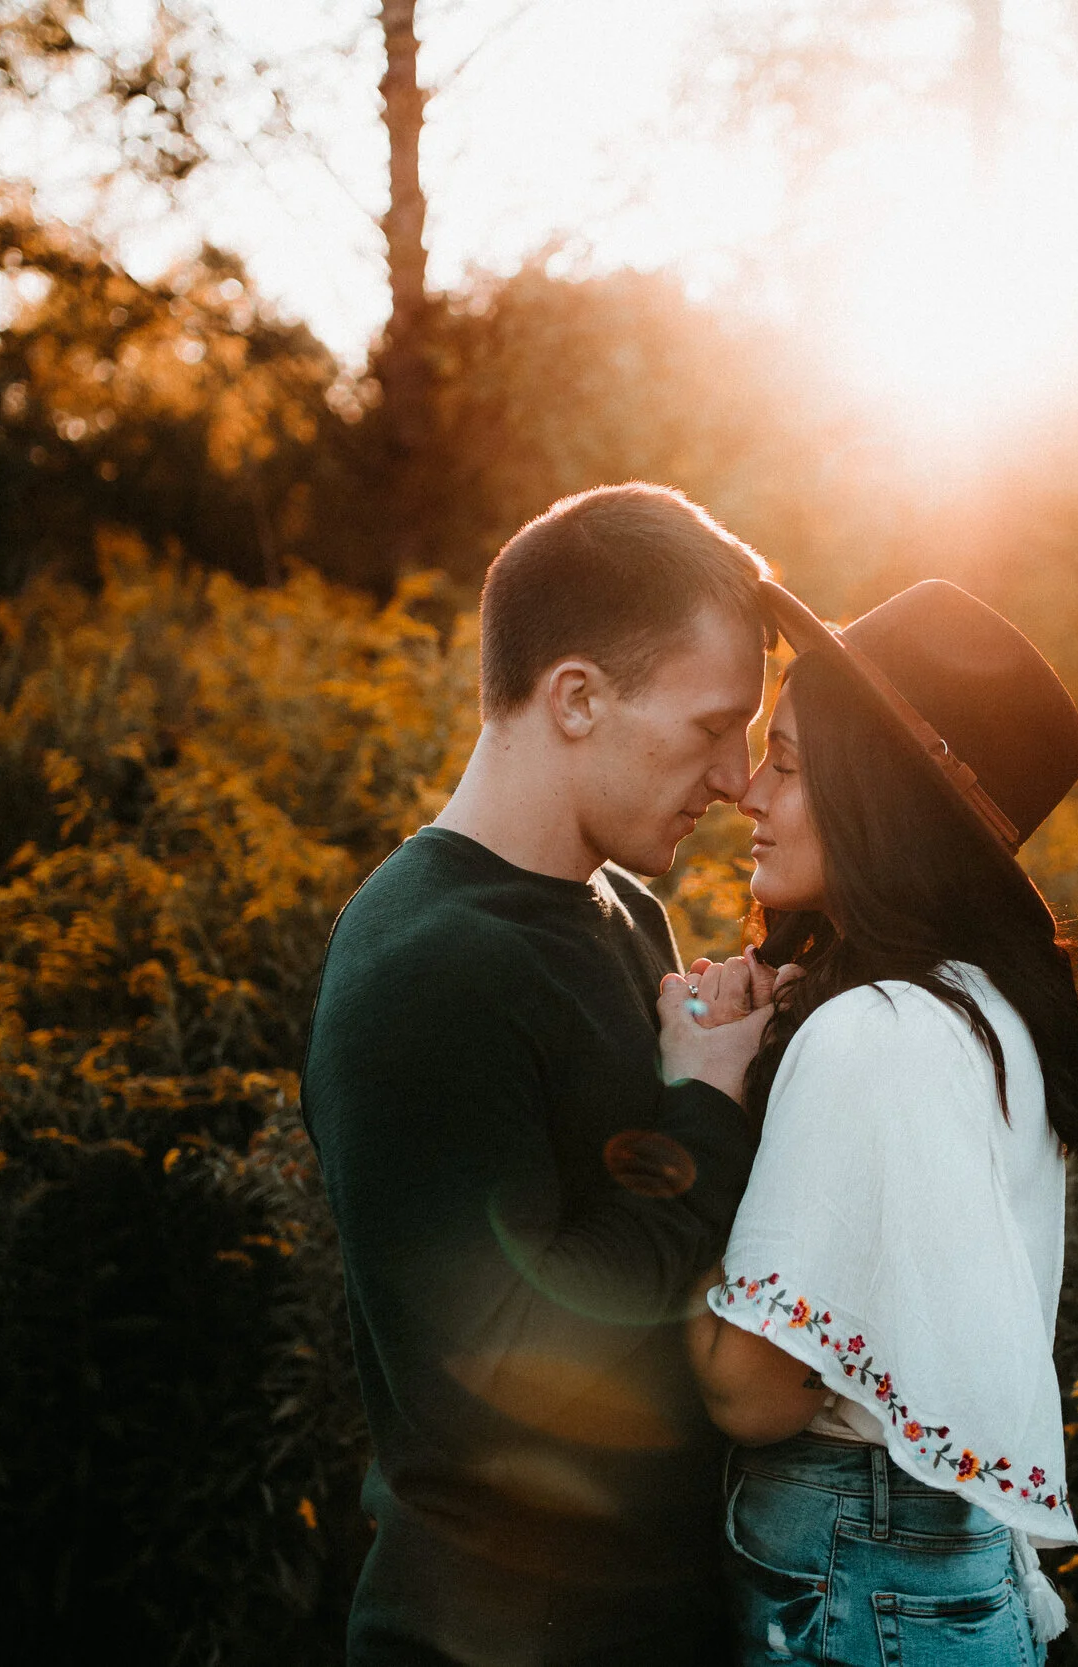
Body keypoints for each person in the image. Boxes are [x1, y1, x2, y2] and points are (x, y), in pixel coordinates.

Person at [301, 483, 785, 1666]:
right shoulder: (428, 964)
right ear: (576, 696)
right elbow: (501, 1372)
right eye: (710, 724)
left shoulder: (624, 910)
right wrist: (704, 1118)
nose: (735, 776)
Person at [671, 578, 1078, 1666]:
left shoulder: (872, 1033)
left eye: (786, 762)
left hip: (853, 1579)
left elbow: (752, 1390)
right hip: (937, 1572)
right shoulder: (987, 1005)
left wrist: (691, 1106)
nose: (749, 791)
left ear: (881, 798)